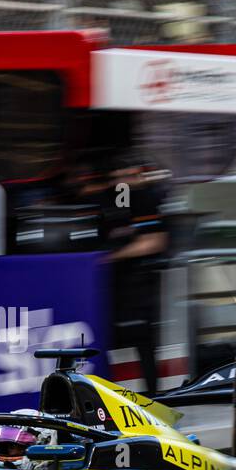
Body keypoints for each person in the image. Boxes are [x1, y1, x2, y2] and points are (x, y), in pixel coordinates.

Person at [102, 161, 170, 396]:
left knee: (145, 344)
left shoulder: (145, 199)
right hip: (116, 286)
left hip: (140, 285)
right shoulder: (115, 201)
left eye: (129, 176)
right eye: (118, 176)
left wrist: (111, 257)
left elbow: (154, 241)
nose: (123, 182)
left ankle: (154, 399)